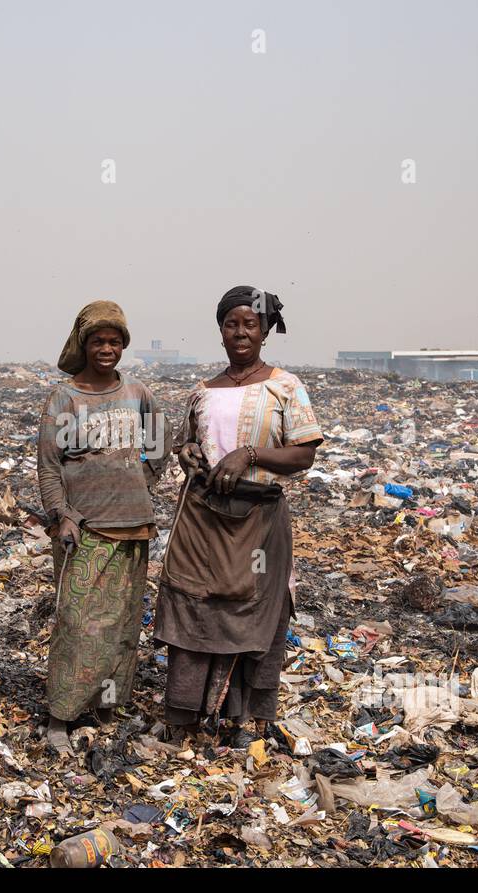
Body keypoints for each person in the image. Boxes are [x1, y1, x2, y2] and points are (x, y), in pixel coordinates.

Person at [154, 285, 323, 747]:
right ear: (221, 331)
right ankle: (185, 714)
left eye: (251, 324)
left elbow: (303, 454)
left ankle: (242, 720)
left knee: (254, 614)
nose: (241, 332)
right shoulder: (203, 391)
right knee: (195, 605)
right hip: (202, 517)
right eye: (232, 324)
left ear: (265, 331)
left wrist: (249, 454)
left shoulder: (285, 387)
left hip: (259, 519)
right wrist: (187, 454)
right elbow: (185, 444)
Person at [37, 301, 169, 756]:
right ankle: (61, 717)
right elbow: (50, 467)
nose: (107, 349)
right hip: (85, 529)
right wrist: (63, 515)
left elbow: (159, 449)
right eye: (99, 340)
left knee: (121, 626)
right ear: (84, 344)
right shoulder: (65, 398)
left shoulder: (138, 394)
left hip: (133, 526)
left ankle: (108, 707)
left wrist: (140, 484)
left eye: (115, 341)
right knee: (77, 624)